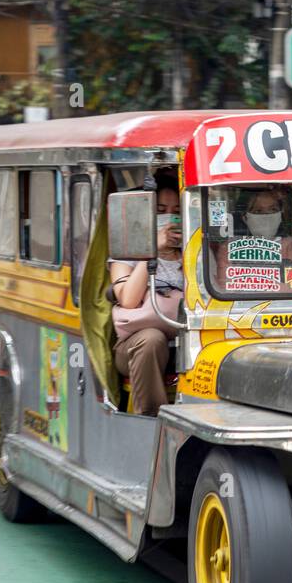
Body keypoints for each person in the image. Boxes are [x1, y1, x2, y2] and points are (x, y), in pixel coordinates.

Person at [108, 174, 182, 415]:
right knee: (151, 338)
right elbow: (127, 299)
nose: (170, 216)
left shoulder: (196, 252)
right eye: (161, 210)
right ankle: (151, 417)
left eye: (176, 211)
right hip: (135, 345)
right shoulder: (127, 251)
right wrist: (152, 252)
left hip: (187, 340)